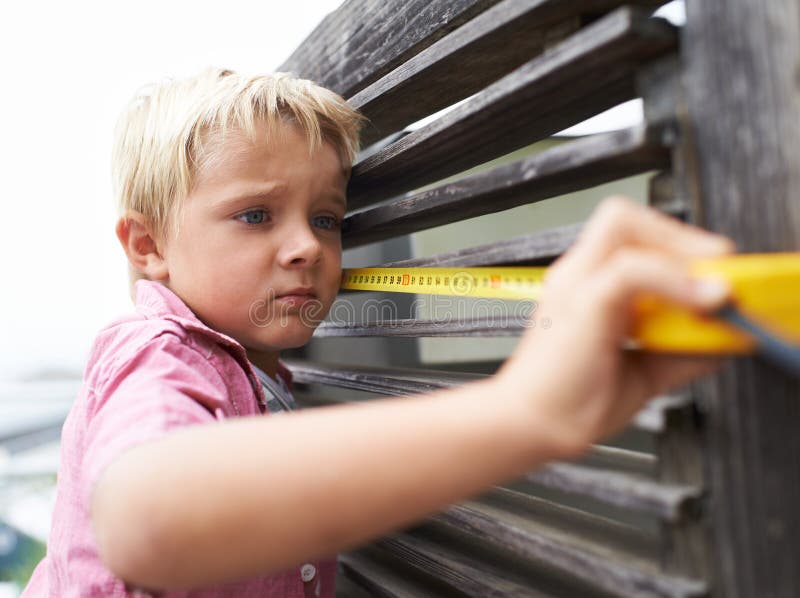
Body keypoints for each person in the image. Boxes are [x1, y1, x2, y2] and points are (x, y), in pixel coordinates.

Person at [23, 68, 734, 597]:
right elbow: (147, 516)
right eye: (255, 216)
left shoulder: (256, 368)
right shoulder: (160, 354)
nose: (307, 246)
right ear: (149, 247)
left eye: (327, 219)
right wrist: (523, 410)